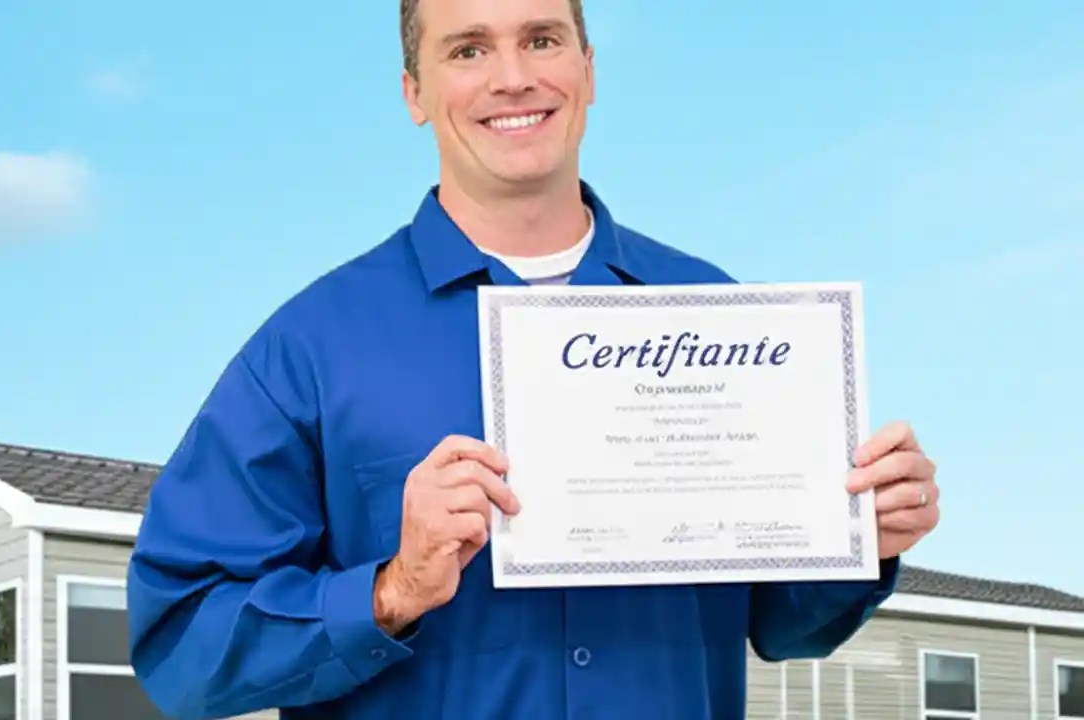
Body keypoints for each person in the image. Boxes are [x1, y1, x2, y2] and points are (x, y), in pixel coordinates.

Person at [126, 0, 942, 717]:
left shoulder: (721, 318)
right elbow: (180, 649)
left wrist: (862, 540)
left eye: (543, 39)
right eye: (468, 49)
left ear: (588, 71)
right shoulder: (312, 347)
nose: (512, 77)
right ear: (414, 92)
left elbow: (782, 623)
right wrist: (391, 590)